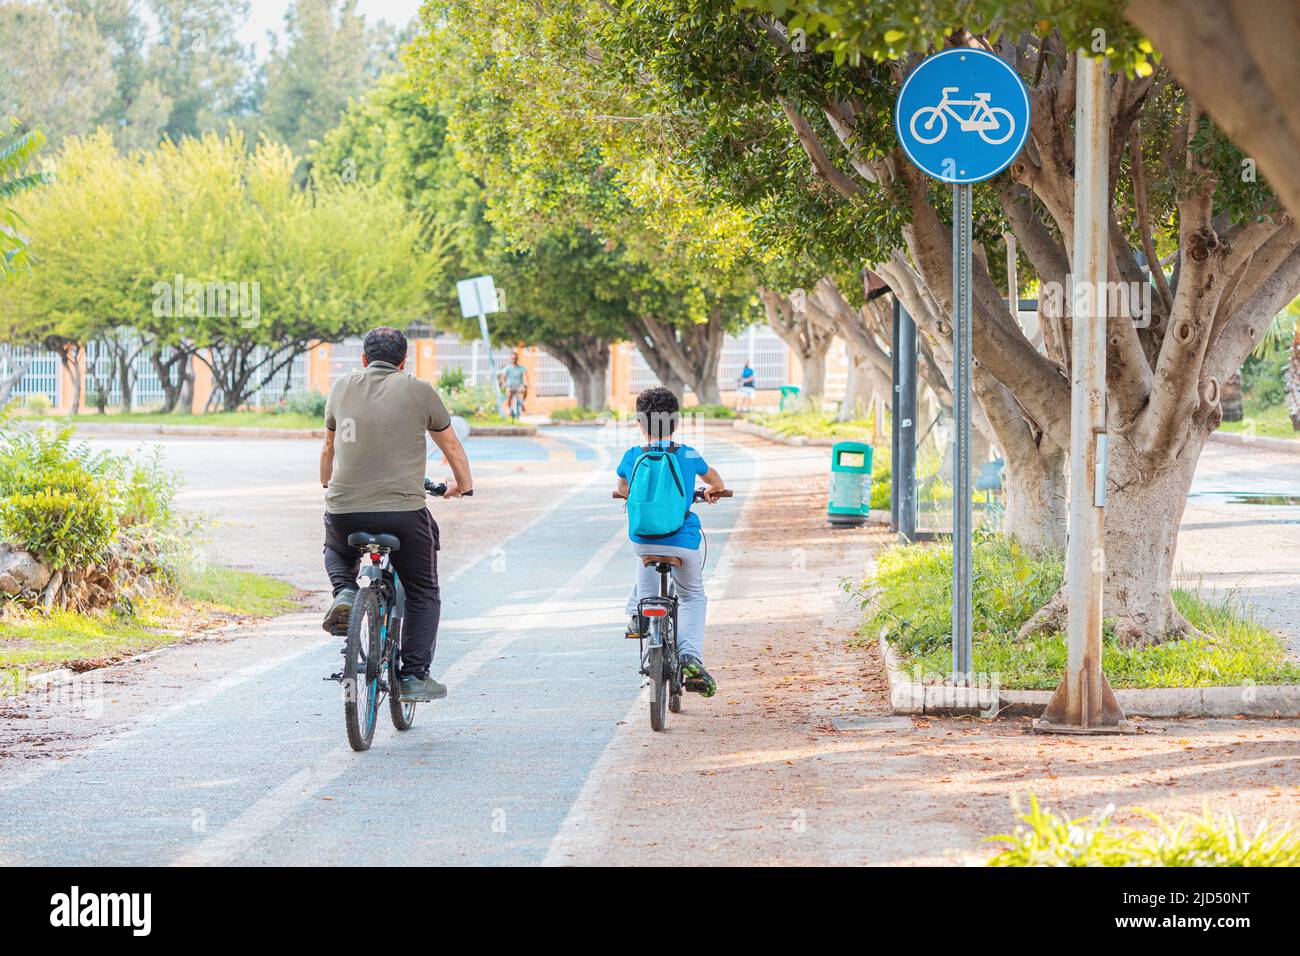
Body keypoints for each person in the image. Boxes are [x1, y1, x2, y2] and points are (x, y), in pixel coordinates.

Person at [318, 326, 474, 703]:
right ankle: (413, 676)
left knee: (335, 548)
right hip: (403, 513)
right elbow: (450, 444)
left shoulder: (340, 387)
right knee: (423, 591)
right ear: (405, 361)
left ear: (363, 360)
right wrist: (464, 485)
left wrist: (327, 482)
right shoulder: (419, 390)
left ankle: (344, 592)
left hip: (345, 510)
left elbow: (328, 447)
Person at [615, 386, 726, 697]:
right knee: (692, 597)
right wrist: (709, 492)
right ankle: (690, 657)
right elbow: (716, 482)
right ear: (676, 422)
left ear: (640, 423)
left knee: (646, 566)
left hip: (643, 541)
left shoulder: (631, 456)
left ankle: (639, 614)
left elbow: (623, 489)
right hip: (682, 542)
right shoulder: (688, 453)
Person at [500, 352, 528, 417]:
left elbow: (526, 376)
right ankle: (508, 409)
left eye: (515, 358)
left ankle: (521, 402)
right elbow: (503, 377)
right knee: (509, 393)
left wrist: (526, 384)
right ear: (510, 359)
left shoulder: (521, 368)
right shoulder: (507, 368)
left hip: (518, 386)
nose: (514, 359)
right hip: (510, 386)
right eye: (512, 358)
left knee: (524, 390)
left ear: (517, 359)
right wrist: (504, 384)